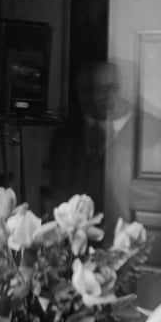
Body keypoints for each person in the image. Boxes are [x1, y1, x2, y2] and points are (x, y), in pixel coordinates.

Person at [45, 60, 124, 214]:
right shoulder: (65, 136)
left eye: (113, 88)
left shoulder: (130, 132)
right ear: (86, 93)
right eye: (101, 89)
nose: (108, 96)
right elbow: (56, 189)